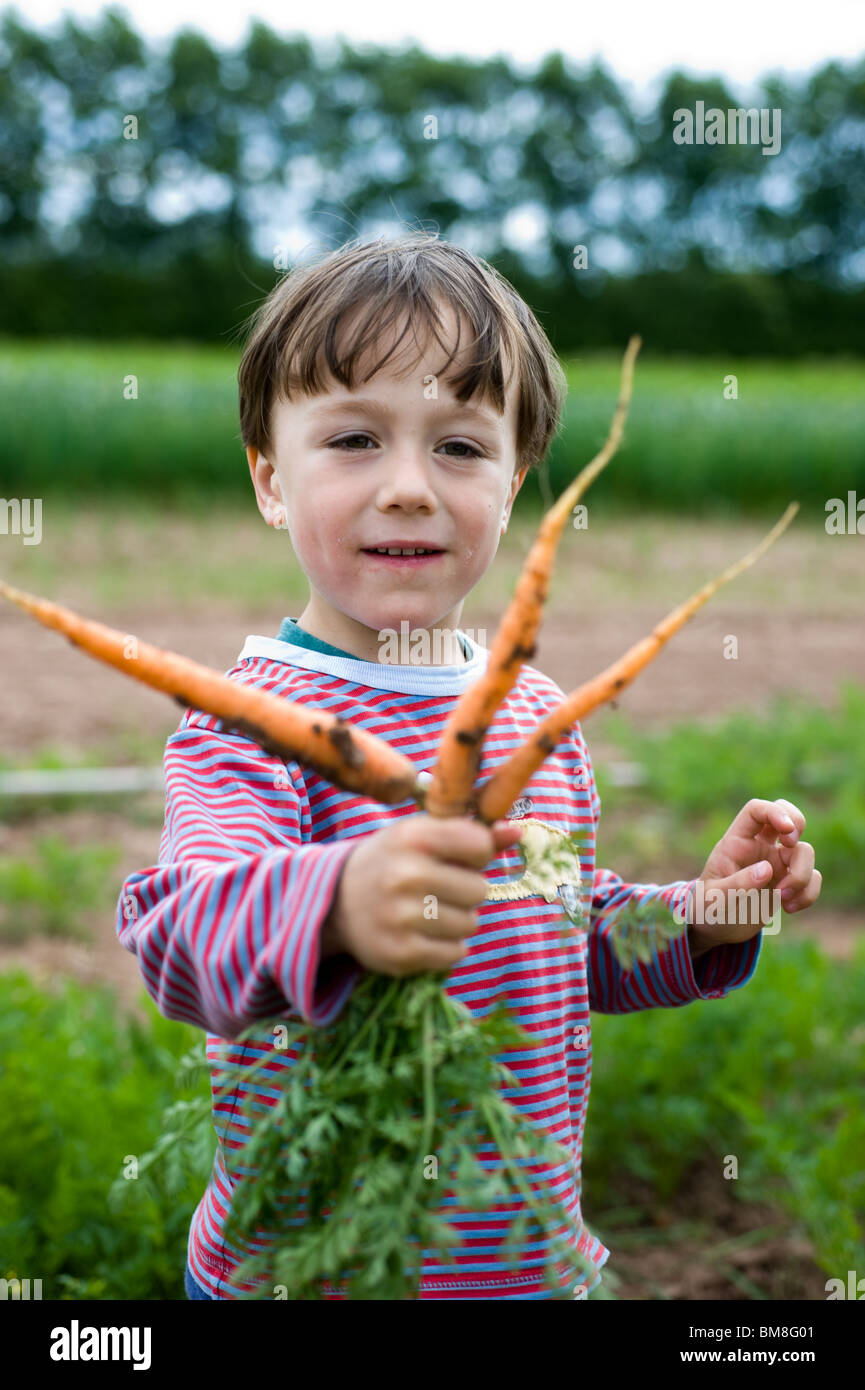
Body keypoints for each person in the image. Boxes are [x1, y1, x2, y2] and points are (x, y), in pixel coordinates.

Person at [116, 231, 822, 1301]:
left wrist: (706, 914)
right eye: (353, 438)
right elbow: (184, 940)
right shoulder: (248, 726)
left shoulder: (537, 717)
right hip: (316, 1276)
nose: (408, 487)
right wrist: (343, 902)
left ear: (516, 480)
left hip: (528, 1271)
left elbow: (565, 940)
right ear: (269, 478)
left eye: (459, 447)